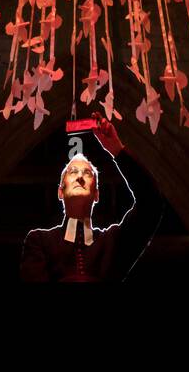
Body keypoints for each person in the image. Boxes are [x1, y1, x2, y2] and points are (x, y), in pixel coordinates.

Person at [19, 111, 163, 281]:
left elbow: (151, 203)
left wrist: (117, 150)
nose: (80, 176)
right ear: (60, 191)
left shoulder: (113, 242)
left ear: (96, 194)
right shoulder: (40, 241)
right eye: (73, 172)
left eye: (87, 173)